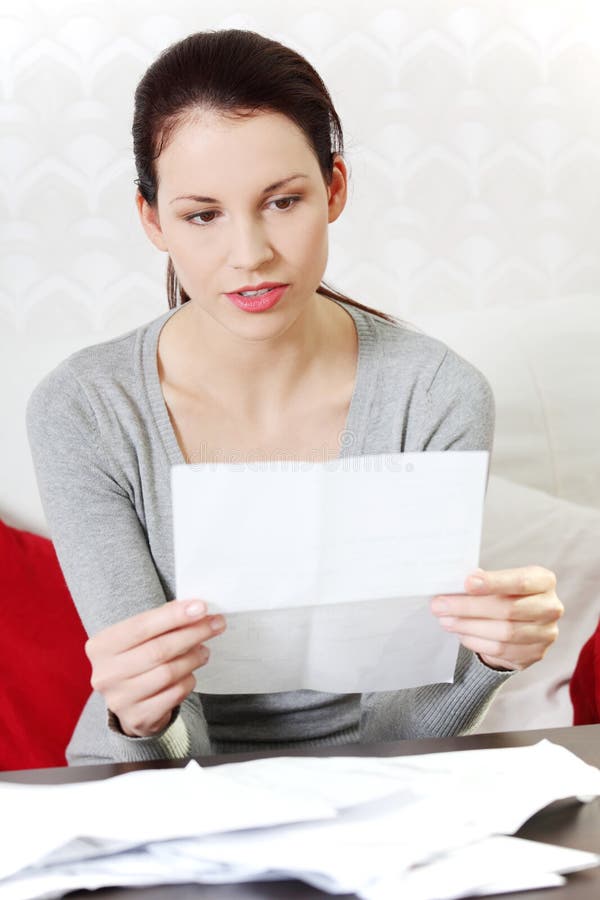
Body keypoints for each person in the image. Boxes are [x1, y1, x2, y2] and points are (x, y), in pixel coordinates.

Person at [26, 29, 563, 765]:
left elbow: (410, 730)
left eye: (282, 201)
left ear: (334, 189)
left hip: (378, 783)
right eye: (202, 214)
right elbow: (153, 714)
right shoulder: (84, 410)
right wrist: (137, 713)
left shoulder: (435, 394)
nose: (249, 254)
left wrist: (493, 660)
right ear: (152, 219)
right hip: (153, 785)